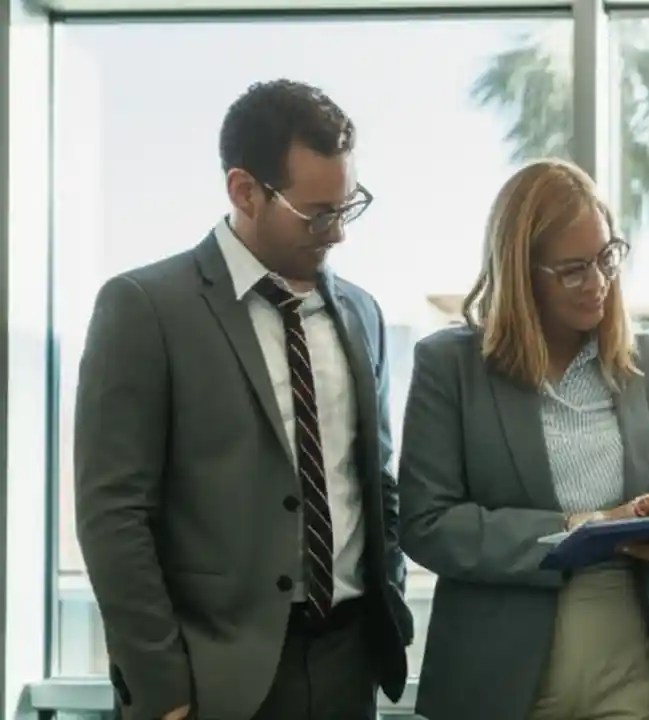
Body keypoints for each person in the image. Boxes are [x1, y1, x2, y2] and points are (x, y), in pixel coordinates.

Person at [74, 79, 412, 720]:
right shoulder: (144, 308)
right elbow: (113, 515)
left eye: (348, 206)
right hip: (211, 680)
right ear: (244, 191)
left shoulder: (362, 314)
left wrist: (385, 602)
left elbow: (376, 484)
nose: (337, 233)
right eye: (317, 213)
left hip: (350, 665)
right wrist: (160, 688)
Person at [398, 158, 649, 720]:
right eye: (573, 269)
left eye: (607, 257)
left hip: (635, 665)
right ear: (520, 271)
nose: (599, 282)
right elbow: (427, 525)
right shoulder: (449, 366)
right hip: (497, 676)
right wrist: (583, 528)